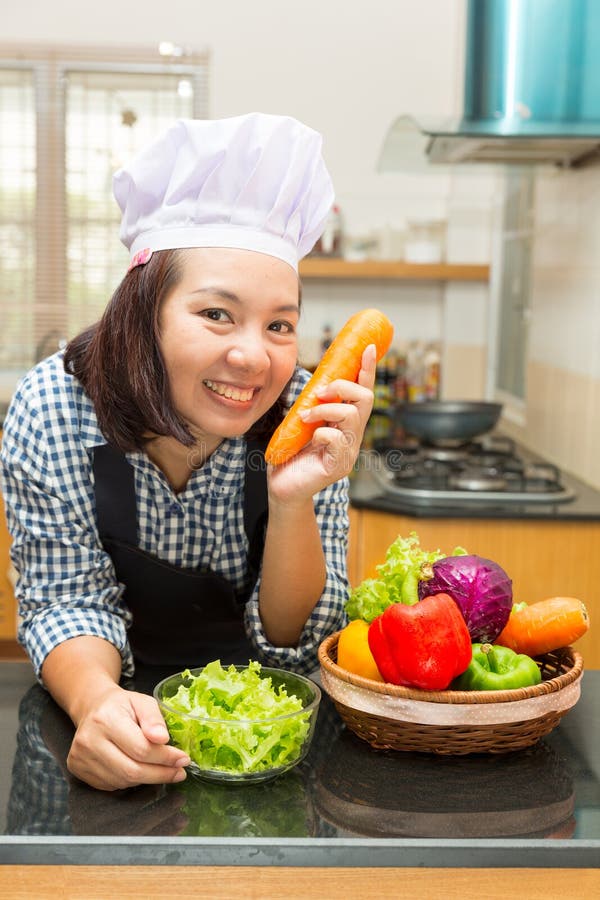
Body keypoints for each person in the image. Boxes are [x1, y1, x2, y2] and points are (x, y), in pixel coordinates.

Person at [0, 113, 376, 791]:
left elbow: (292, 643)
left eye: (280, 324)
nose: (253, 356)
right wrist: (98, 704)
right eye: (217, 314)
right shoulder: (55, 407)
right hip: (111, 714)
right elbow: (64, 601)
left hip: (267, 733)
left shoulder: (306, 414)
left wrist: (294, 499)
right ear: (145, 312)